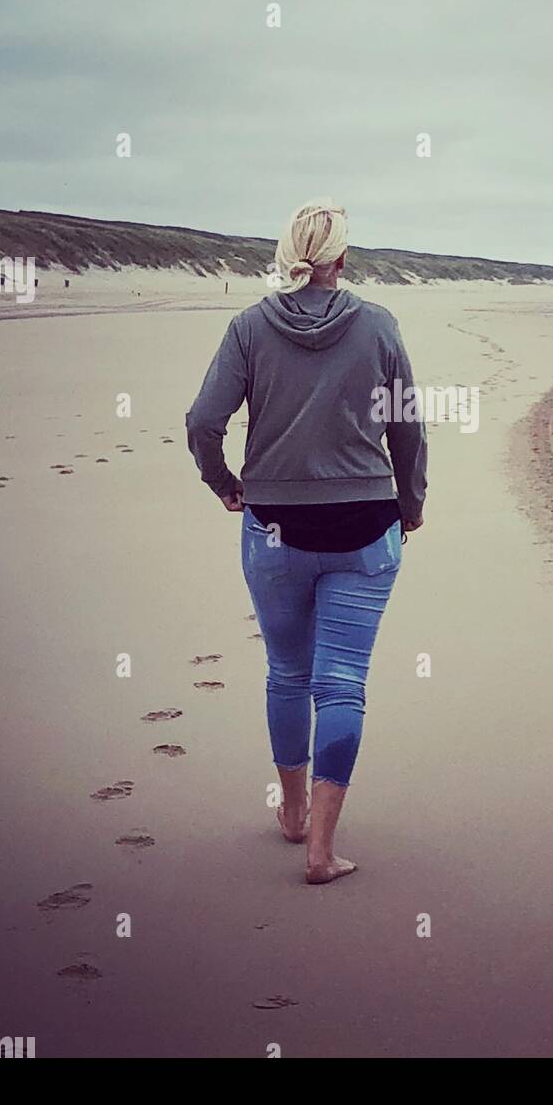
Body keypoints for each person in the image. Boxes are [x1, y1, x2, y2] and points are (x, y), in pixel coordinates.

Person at [186, 200, 427, 883]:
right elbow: (408, 426)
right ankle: (323, 850)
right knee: (342, 682)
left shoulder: (248, 327)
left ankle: (291, 816)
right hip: (364, 527)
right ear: (343, 259)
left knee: (288, 673)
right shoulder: (379, 325)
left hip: (274, 528)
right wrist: (411, 504)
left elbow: (204, 420)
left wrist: (223, 483)